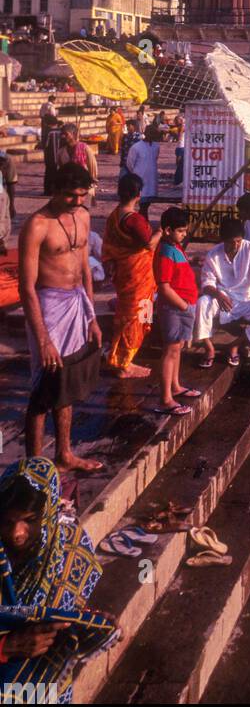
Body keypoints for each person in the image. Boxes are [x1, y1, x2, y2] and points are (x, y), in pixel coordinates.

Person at [0, 457, 120, 703]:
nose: (16, 533)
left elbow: (65, 607)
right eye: (8, 521)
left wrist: (85, 619)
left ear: (48, 514)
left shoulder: (70, 549)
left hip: (47, 688)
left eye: (30, 520)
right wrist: (5, 647)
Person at [18, 163, 103, 474]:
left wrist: (92, 317)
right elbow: (26, 287)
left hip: (76, 303)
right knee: (44, 387)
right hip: (48, 306)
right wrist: (43, 338)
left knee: (66, 383)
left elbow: (85, 272)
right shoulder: (37, 225)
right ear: (55, 189)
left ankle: (65, 453)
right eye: (70, 195)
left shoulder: (82, 215)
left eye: (82, 195)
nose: (77, 201)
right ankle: (35, 468)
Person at [194, 216, 250, 369]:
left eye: (239, 241)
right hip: (224, 299)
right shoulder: (213, 254)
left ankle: (235, 346)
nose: (236, 245)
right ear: (223, 240)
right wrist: (219, 295)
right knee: (202, 302)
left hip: (248, 299)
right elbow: (206, 284)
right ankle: (209, 348)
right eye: (232, 242)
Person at [102, 172, 161, 379]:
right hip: (137, 275)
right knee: (135, 317)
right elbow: (149, 243)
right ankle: (124, 364)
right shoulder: (133, 220)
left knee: (128, 315)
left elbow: (110, 245)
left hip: (125, 272)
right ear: (138, 194)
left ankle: (121, 357)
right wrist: (161, 231)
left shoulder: (115, 215)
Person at [152, 208, 201, 413]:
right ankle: (165, 399)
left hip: (184, 305)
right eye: (180, 231)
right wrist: (182, 305)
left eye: (185, 231)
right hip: (175, 308)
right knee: (170, 350)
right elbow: (163, 286)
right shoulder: (164, 252)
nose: (184, 234)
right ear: (168, 230)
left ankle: (175, 385)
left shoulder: (175, 247)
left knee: (177, 347)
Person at [126, 124, 161, 217]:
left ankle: (143, 220)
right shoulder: (136, 147)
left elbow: (155, 159)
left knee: (146, 204)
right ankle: (142, 221)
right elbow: (130, 164)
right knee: (142, 203)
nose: (152, 136)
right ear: (146, 133)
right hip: (139, 178)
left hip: (151, 179)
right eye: (151, 133)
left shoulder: (156, 146)